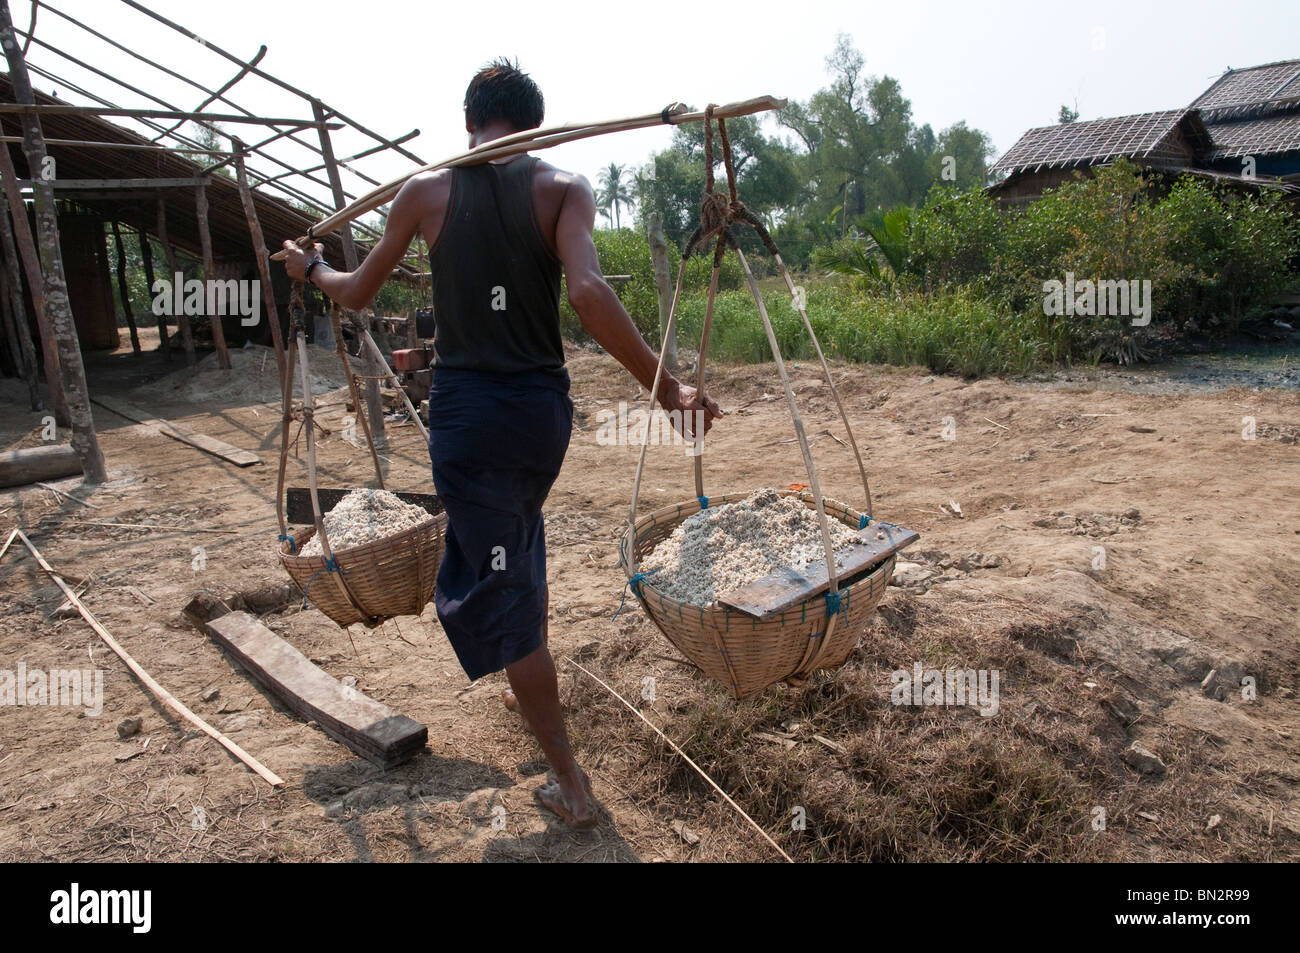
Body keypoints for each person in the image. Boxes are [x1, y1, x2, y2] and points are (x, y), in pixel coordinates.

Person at [282, 58, 721, 829]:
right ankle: (528, 678)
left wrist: (310, 265)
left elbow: (355, 292)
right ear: (537, 122)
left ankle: (570, 784)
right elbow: (586, 291)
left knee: (506, 591)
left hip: (470, 421)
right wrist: (670, 389)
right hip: (539, 418)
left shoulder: (424, 193)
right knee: (513, 545)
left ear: (468, 123)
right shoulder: (561, 189)